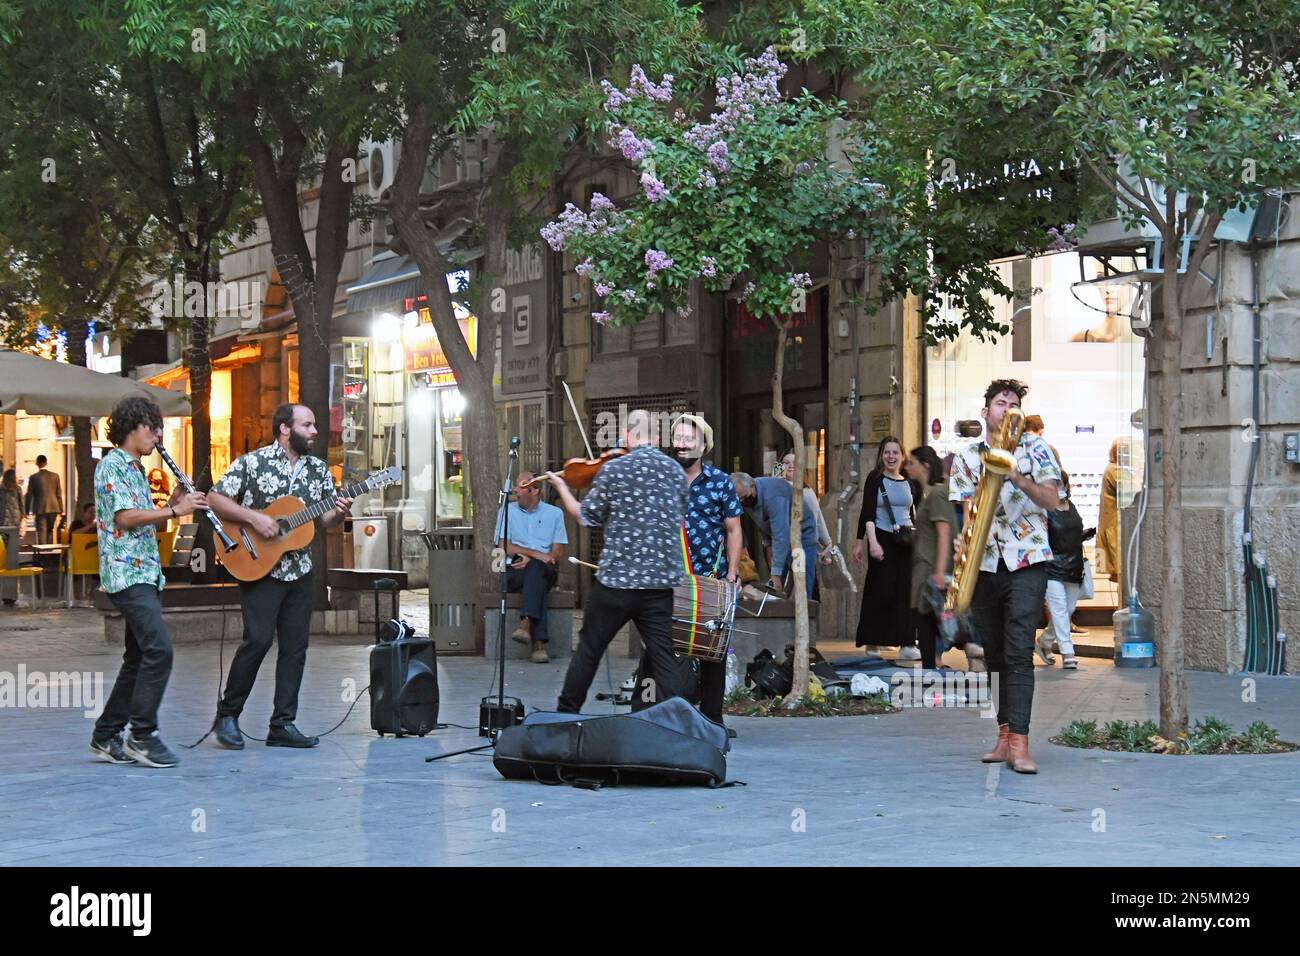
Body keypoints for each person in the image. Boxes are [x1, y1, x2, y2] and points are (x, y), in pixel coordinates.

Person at [207, 403, 353, 750]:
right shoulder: (253, 463)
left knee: (295, 648)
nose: (315, 431)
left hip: (299, 570)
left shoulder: (318, 470)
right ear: (285, 429)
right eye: (308, 425)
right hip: (258, 565)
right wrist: (255, 518)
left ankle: (282, 724)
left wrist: (339, 511)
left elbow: (325, 519)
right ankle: (227, 715)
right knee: (257, 640)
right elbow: (215, 498)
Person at [949, 378, 1062, 774]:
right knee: (992, 652)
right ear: (986, 412)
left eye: (1014, 403)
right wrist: (961, 557)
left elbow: (1054, 500)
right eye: (1001, 403)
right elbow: (966, 512)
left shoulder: (1037, 450)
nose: (1007, 408)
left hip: (1027, 560)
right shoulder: (966, 456)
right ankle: (1003, 735)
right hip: (984, 563)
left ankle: (1021, 743)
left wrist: (1017, 477)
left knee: (1018, 651)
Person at [89, 396, 208, 768]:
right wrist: (176, 510)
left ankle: (106, 735)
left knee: (138, 656)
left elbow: (146, 518)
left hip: (144, 571)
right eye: (151, 427)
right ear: (131, 427)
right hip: (126, 572)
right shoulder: (112, 467)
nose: (157, 435)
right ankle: (142, 734)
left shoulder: (137, 468)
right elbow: (124, 518)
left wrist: (175, 500)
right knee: (160, 650)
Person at [548, 409, 689, 714]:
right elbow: (678, 516)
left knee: (589, 649)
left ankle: (565, 714)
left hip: (617, 581)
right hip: (659, 582)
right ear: (656, 436)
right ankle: (678, 720)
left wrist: (562, 488)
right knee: (664, 655)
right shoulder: (676, 472)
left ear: (627, 435)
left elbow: (586, 517)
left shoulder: (614, 470)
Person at [638, 413, 743, 727]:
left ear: (703, 446)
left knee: (714, 651)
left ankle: (712, 719)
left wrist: (733, 574)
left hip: (709, 580)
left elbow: (734, 530)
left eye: (688, 439)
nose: (681, 445)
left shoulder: (721, 482)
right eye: (678, 438)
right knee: (657, 646)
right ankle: (651, 712)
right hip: (668, 577)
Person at [851, 436, 922, 659]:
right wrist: (867, 541)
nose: (891, 457)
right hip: (881, 537)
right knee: (880, 590)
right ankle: (873, 640)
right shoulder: (875, 479)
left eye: (895, 452)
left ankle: (907, 642)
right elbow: (868, 513)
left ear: (902, 456)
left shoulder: (910, 481)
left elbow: (916, 511)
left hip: (906, 540)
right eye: (887, 452)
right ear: (882, 455)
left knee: (905, 592)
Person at [495, 471, 567, 663]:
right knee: (536, 580)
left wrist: (536, 560)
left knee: (536, 571)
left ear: (534, 490)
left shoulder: (555, 514)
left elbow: (557, 554)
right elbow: (503, 546)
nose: (515, 490)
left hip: (545, 569)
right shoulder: (506, 511)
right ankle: (539, 644)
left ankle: (526, 623)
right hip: (514, 571)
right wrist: (533, 555)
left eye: (521, 486)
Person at [731, 471, 819, 599]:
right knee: (777, 578)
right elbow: (763, 523)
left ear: (752, 486)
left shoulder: (773, 496)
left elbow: (781, 535)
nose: (743, 501)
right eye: (739, 500)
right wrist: (767, 545)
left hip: (802, 533)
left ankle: (806, 608)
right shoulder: (746, 498)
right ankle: (779, 603)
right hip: (777, 534)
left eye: (744, 497)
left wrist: (776, 574)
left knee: (802, 575)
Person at [904, 446, 951, 669]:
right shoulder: (927, 495)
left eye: (911, 462)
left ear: (925, 466)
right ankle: (929, 668)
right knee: (924, 622)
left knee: (928, 621)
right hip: (923, 566)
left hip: (930, 568)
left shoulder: (938, 494)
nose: (907, 467)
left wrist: (940, 571)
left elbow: (944, 533)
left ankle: (930, 669)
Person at [1038, 471, 1084, 669]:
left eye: (1060, 484)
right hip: (1052, 566)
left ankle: (1044, 641)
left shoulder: (1071, 507)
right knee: (1058, 609)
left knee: (1069, 609)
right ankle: (1068, 651)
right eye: (1053, 485)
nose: (1057, 489)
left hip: (1073, 564)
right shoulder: (1044, 510)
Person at [1097, 438, 1123, 583]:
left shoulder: (1111, 468)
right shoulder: (1114, 470)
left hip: (1112, 525)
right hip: (1114, 526)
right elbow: (1127, 489)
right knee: (1120, 571)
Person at [24, 454, 63, 544]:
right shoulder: (55, 476)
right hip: (54, 507)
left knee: (41, 530)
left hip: (40, 508)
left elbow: (29, 495)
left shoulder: (33, 478)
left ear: (37, 464)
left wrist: (26, 510)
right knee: (50, 530)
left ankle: (43, 553)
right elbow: (59, 494)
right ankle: (50, 552)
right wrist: (61, 509)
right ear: (46, 463)